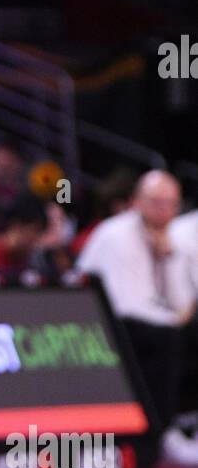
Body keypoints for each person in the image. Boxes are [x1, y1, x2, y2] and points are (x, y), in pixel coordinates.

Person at [75, 171, 195, 436]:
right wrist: (175, 321)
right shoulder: (118, 234)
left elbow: (182, 302)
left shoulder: (171, 236)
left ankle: (186, 421)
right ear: (137, 201)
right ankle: (164, 431)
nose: (164, 211)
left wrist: (169, 257)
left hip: (145, 321)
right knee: (167, 338)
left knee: (181, 333)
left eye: (171, 204)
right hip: (97, 324)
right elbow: (128, 305)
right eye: (156, 202)